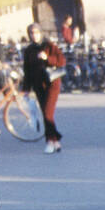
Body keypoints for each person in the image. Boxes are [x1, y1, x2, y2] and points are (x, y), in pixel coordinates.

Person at [22, 22, 65, 153]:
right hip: (38, 84)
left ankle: (50, 141)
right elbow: (27, 70)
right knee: (47, 114)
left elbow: (61, 61)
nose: (34, 35)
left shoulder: (49, 46)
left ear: (41, 33)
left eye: (36, 32)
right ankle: (55, 140)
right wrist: (26, 88)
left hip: (52, 83)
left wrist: (47, 58)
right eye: (31, 33)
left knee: (47, 113)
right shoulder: (29, 50)